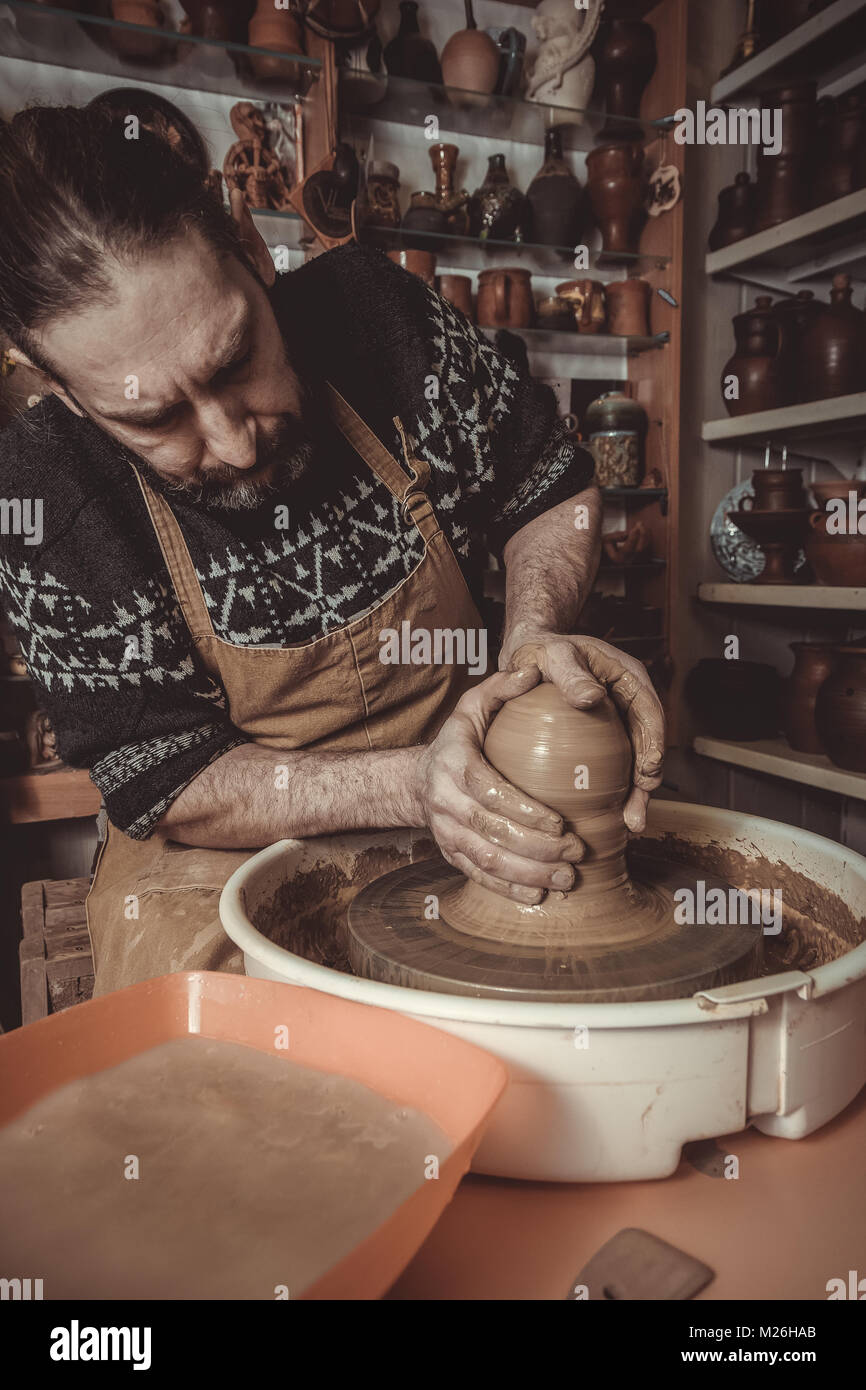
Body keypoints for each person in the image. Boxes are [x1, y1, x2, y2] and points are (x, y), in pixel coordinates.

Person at [0, 102, 664, 994]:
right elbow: (165, 778)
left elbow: (548, 488)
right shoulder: (44, 485)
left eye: (235, 357)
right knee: (238, 1050)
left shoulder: (372, 312)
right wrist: (409, 787)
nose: (233, 442)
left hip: (482, 788)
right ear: (70, 396)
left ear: (247, 247)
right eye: (154, 418)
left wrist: (536, 635)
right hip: (221, 854)